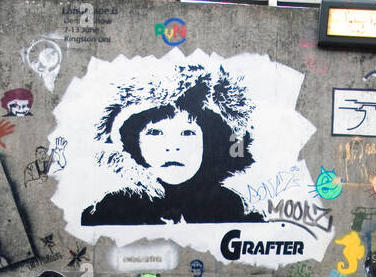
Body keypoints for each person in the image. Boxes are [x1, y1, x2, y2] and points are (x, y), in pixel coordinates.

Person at [81, 72, 264, 226]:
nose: (172, 148)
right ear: (133, 144)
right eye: (155, 132)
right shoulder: (115, 207)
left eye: (187, 133)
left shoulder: (227, 206)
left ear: (209, 143)